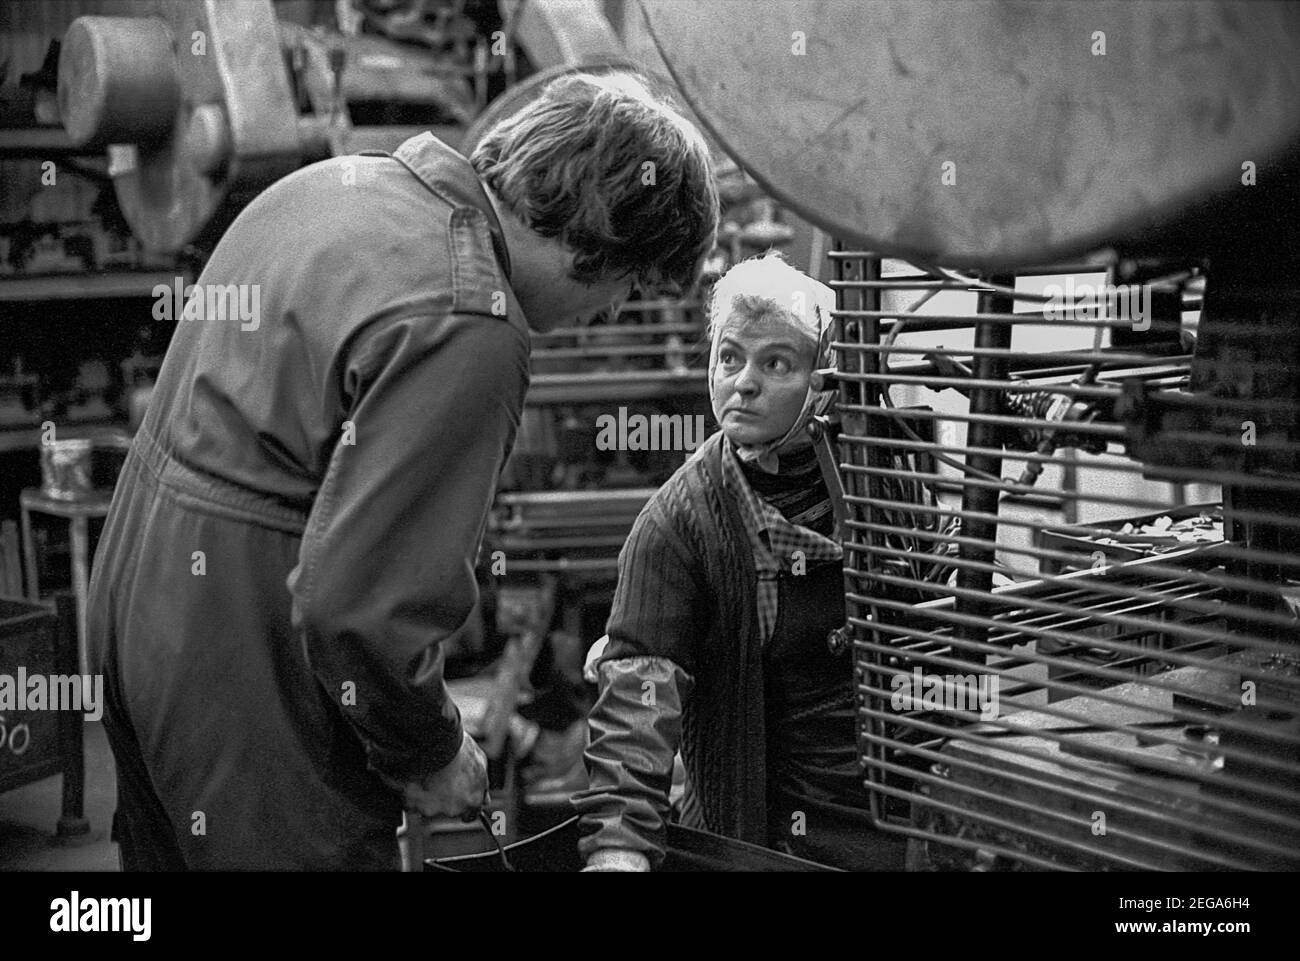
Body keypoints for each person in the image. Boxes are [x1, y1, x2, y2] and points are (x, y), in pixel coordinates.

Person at [87, 71, 718, 870]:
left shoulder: (339, 185)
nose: (612, 313)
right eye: (631, 286)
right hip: (241, 642)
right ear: (601, 237)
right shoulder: (471, 318)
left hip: (136, 585)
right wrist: (430, 748)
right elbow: (358, 604)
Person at [573, 253, 911, 871]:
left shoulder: (883, 481)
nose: (743, 382)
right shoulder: (679, 523)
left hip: (904, 829)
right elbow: (637, 702)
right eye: (729, 358)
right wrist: (619, 848)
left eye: (775, 363)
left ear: (825, 379)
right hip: (767, 843)